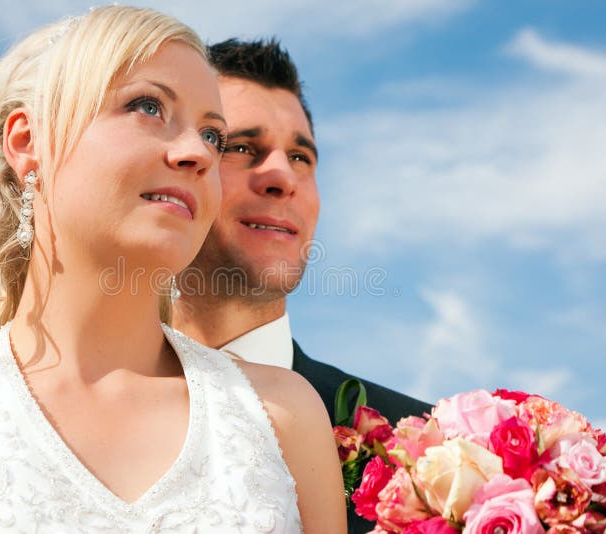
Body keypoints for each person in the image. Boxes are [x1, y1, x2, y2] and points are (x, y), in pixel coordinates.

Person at [0, 8, 345, 533]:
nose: (197, 153)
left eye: (213, 136)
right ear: (26, 142)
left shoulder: (284, 419)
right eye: (148, 106)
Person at [170, 39, 432, 532]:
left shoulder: (426, 451)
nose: (281, 177)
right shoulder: (68, 416)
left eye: (301, 157)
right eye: (242, 147)